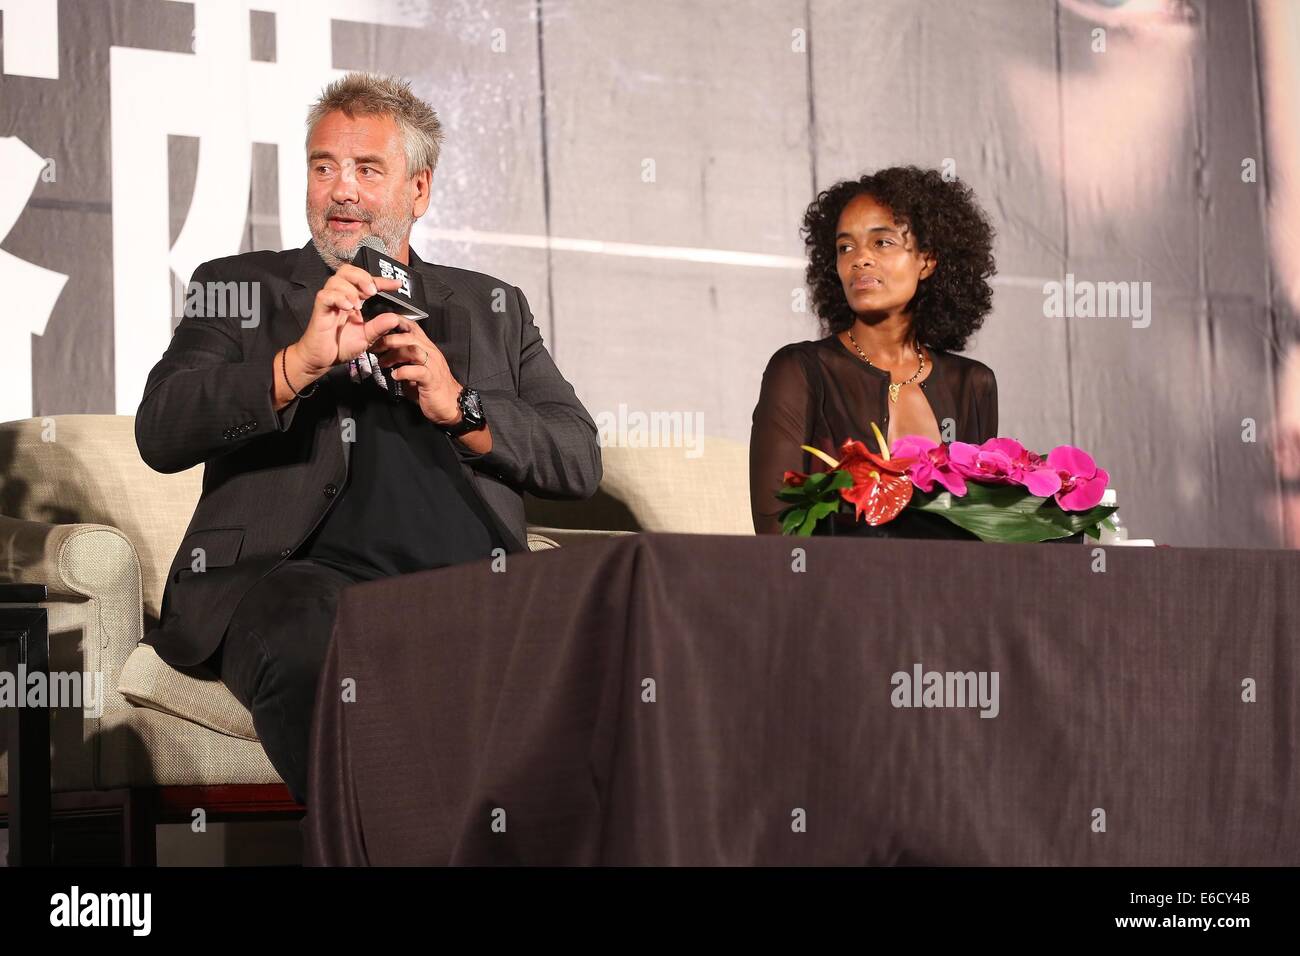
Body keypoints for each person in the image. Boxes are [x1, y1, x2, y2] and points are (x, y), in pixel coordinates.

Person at [134, 73, 601, 803]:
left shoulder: (490, 307)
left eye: (367, 169)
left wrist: (461, 406)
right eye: (324, 168)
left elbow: (578, 457)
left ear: (419, 190)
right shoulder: (238, 287)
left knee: (604, 664)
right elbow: (161, 428)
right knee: (318, 647)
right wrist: (296, 365)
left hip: (462, 581)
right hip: (289, 581)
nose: (340, 190)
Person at [749, 166, 999, 535]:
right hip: (829, 587)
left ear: (927, 260)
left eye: (882, 242)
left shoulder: (973, 384)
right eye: (845, 247)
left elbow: (981, 530)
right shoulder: (799, 370)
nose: (859, 259)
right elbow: (775, 526)